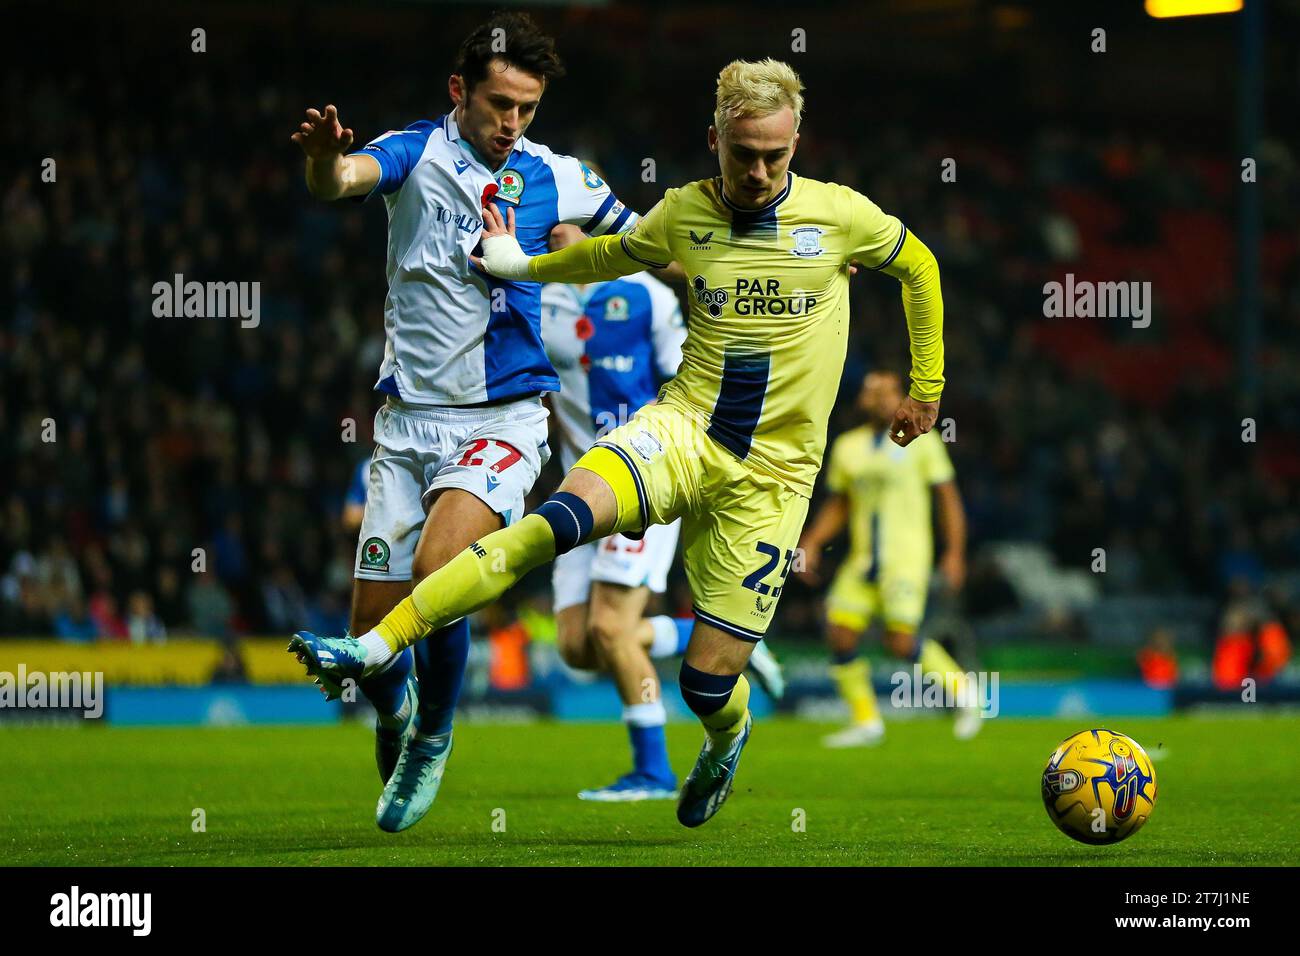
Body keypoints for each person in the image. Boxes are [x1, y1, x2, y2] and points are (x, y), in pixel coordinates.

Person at [292, 58, 945, 831]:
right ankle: (376, 651)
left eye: (777, 154)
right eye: (744, 154)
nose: (761, 171)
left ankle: (726, 736)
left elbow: (919, 267)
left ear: (798, 140)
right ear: (715, 141)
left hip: (775, 474)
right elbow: (607, 254)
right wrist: (525, 265)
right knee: (552, 532)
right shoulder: (681, 214)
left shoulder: (840, 216)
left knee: (706, 687)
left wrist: (927, 386)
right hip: (681, 428)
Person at [289, 12, 644, 830]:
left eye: (526, 106)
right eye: (497, 104)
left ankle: (434, 737)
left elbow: (652, 240)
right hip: (406, 423)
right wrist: (319, 163)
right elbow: (341, 179)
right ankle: (395, 711)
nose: (511, 122)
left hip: (505, 418)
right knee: (372, 639)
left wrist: (712, 255)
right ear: (460, 91)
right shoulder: (415, 151)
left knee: (441, 569)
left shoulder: (559, 177)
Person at [541, 226, 784, 802]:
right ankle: (715, 640)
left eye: (566, 223)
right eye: (546, 225)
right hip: (580, 486)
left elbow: (690, 379)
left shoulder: (645, 292)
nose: (554, 235)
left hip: (643, 476)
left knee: (611, 628)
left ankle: (652, 771)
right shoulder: (538, 293)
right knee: (578, 647)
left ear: (592, 229)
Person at [797, 370, 978, 747]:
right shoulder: (848, 446)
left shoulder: (922, 441)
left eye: (886, 391)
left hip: (906, 558)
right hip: (864, 560)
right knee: (839, 631)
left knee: (899, 641)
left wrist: (955, 552)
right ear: (861, 400)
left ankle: (966, 694)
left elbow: (948, 499)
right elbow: (840, 504)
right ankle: (866, 722)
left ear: (900, 395)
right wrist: (812, 541)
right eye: (870, 390)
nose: (877, 397)